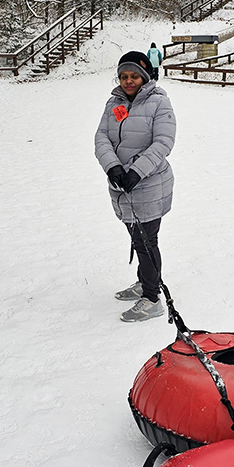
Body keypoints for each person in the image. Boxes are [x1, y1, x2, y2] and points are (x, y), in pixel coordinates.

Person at [94, 50, 176, 323]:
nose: (128, 81)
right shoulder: (113, 103)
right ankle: (144, 282)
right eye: (124, 76)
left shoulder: (159, 103)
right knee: (137, 238)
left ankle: (152, 299)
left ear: (144, 77)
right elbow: (102, 136)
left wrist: (136, 171)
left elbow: (163, 143)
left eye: (134, 76)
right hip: (121, 186)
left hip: (149, 184)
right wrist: (113, 167)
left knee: (147, 242)